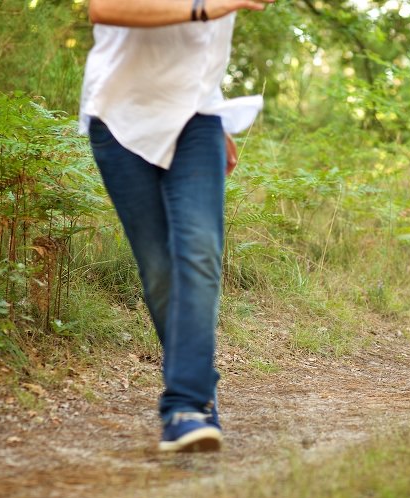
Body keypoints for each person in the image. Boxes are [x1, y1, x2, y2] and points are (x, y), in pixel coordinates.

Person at [79, 0, 275, 452]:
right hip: (118, 116)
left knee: (200, 250)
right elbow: (104, 8)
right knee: (159, 269)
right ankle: (199, 389)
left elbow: (200, 52)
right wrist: (208, 7)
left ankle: (185, 405)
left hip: (197, 119)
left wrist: (214, 119)